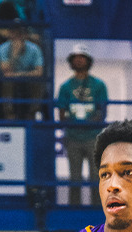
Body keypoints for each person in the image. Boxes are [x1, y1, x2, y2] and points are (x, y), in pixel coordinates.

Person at [55, 43, 107, 206]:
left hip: (93, 138)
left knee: (95, 177)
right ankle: (74, 213)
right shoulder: (65, 87)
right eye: (76, 58)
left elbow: (101, 111)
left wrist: (88, 123)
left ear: (88, 61)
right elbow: (61, 112)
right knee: (75, 178)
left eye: (82, 58)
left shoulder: (99, 85)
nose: (79, 61)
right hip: (73, 138)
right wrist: (73, 124)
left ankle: (97, 214)